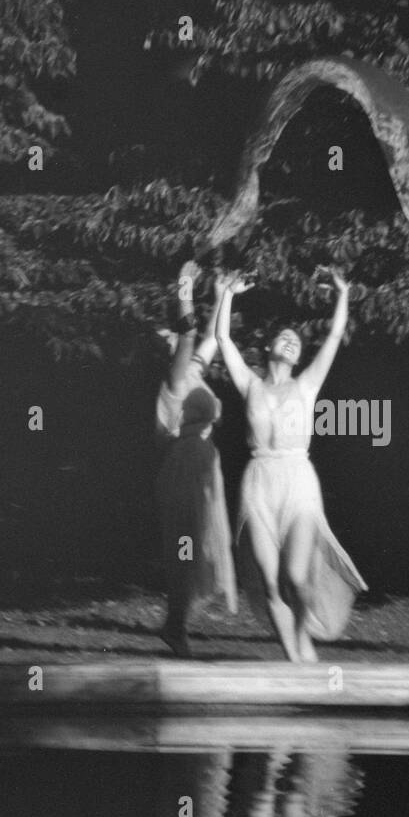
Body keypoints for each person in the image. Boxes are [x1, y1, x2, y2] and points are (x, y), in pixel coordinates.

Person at [215, 269, 366, 663]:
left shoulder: (307, 386)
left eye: (297, 342)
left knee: (297, 578)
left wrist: (342, 294)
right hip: (259, 481)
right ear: (268, 348)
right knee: (270, 583)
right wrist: (227, 294)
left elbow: (333, 336)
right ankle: (294, 659)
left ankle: (303, 640)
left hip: (298, 481)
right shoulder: (251, 385)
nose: (291, 343)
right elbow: (222, 339)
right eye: (284, 338)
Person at [155, 261, 238, 657]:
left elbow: (212, 339)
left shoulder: (195, 374)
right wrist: (184, 286)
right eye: (175, 340)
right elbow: (191, 332)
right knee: (185, 546)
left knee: (194, 546)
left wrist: (223, 294)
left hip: (204, 466)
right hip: (186, 466)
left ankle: (175, 624)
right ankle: (176, 626)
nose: (181, 342)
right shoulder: (175, 380)